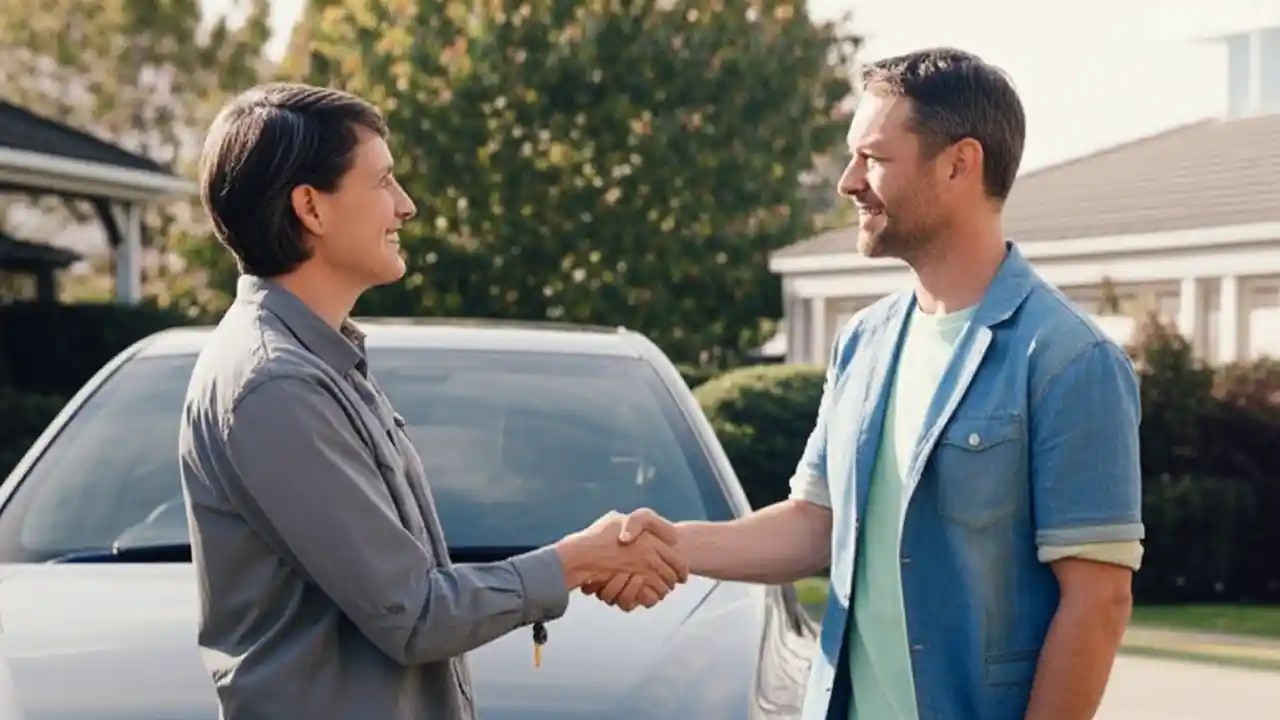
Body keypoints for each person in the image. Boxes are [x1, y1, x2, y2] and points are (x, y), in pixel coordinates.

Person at [585, 47, 1144, 720]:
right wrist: (669, 544)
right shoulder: (866, 339)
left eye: (874, 158)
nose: (849, 181)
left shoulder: (1067, 361)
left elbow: (1098, 600)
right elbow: (815, 526)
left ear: (959, 164)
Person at [177, 82, 687, 720]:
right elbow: (413, 615)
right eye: (383, 183)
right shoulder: (275, 384)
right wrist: (578, 560)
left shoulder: (320, 362)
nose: (406, 206)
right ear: (311, 207)